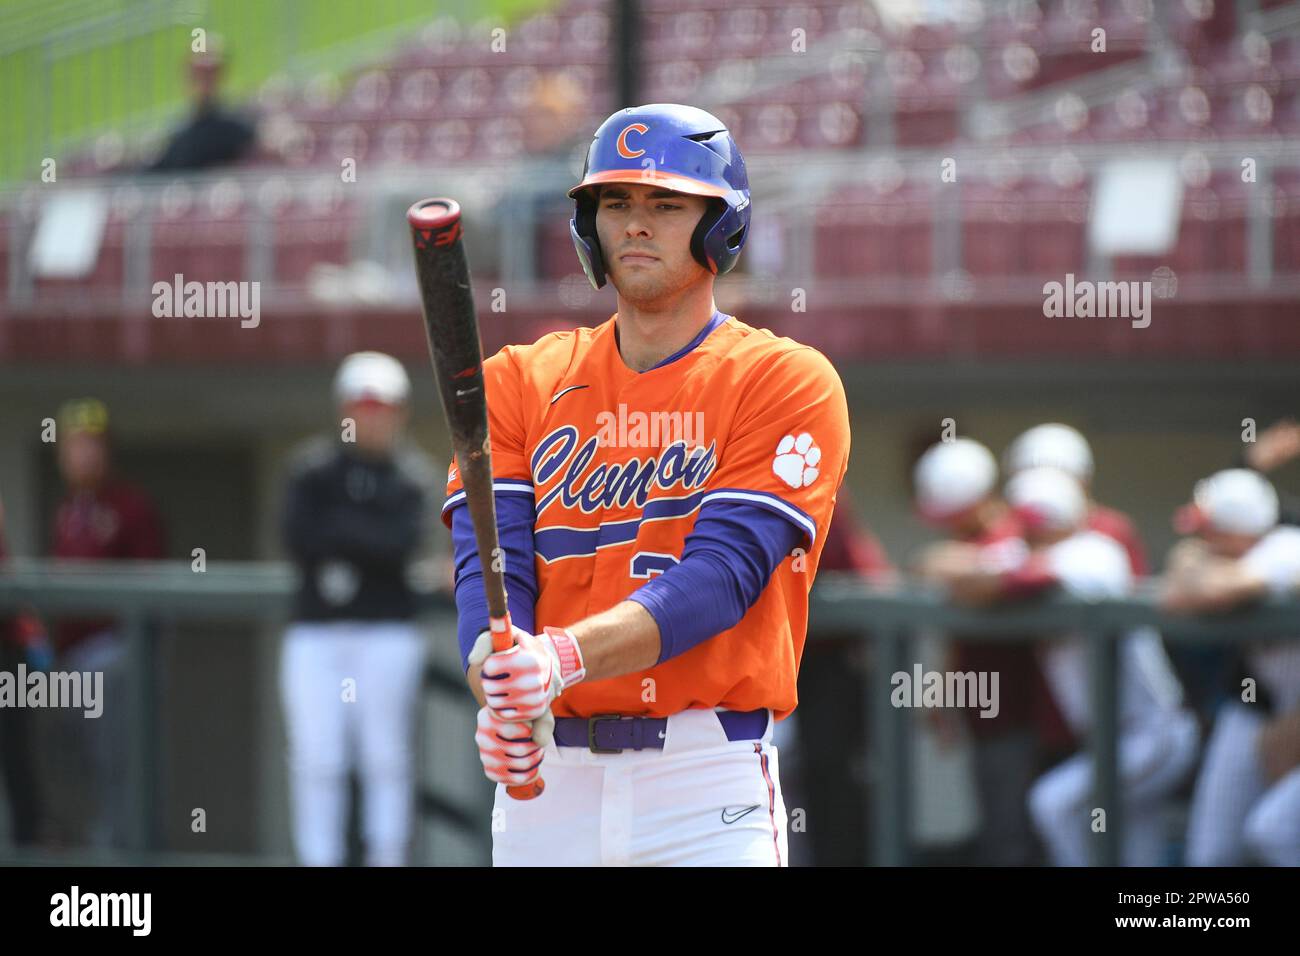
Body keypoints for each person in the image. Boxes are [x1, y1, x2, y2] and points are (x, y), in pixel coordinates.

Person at [445, 103, 850, 866]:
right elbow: (489, 572)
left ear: (719, 226)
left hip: (703, 783)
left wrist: (556, 660)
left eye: (666, 204)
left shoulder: (784, 379)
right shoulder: (518, 381)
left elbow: (723, 576)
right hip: (546, 789)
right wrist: (497, 687)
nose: (636, 223)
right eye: (616, 202)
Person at [946, 466, 1198, 866]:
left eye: (1035, 526)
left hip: (1153, 732)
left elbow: (1000, 583)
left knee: (1052, 804)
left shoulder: (1096, 553)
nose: (1026, 535)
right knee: (1135, 850)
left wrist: (986, 574)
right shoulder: (1030, 550)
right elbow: (942, 567)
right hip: (1114, 738)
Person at [279, 351, 441, 867]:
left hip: (387, 632)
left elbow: (401, 543)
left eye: (382, 406)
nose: (371, 416)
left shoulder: (412, 477)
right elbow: (297, 536)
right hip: (316, 633)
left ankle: (386, 858)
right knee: (316, 759)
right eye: (362, 405)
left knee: (385, 758)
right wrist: (365, 537)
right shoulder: (311, 469)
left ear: (399, 412)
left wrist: (346, 536)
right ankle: (318, 859)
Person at [910, 437, 1070, 866]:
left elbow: (968, 568)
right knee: (999, 832)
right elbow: (930, 567)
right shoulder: (975, 544)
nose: (952, 527)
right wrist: (943, 694)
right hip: (987, 713)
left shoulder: (1019, 533)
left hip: (1027, 715)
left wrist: (961, 564)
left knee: (1016, 839)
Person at [1163, 469, 1300, 866]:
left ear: (1236, 530)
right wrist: (1190, 560)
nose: (1201, 539)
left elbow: (1208, 591)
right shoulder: (1230, 553)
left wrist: (1194, 568)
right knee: (1211, 852)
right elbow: (1176, 592)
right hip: (1263, 706)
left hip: (1289, 713)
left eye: (1210, 530)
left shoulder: (1286, 549)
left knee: (1273, 833)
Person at [48, 398, 166, 849]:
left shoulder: (129, 506)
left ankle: (124, 855)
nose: (84, 455)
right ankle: (94, 848)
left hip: (116, 659)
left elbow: (150, 589)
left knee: (124, 766)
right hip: (71, 661)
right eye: (75, 445)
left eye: (92, 445)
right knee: (81, 763)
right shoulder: (67, 510)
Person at [1003, 423, 1148, 576]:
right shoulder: (1005, 527)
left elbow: (1131, 588)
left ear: (1084, 481)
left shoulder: (1112, 528)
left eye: (1061, 475)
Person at [147, 39, 256, 172]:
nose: (204, 80)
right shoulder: (178, 128)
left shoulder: (236, 127)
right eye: (198, 73)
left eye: (211, 72)